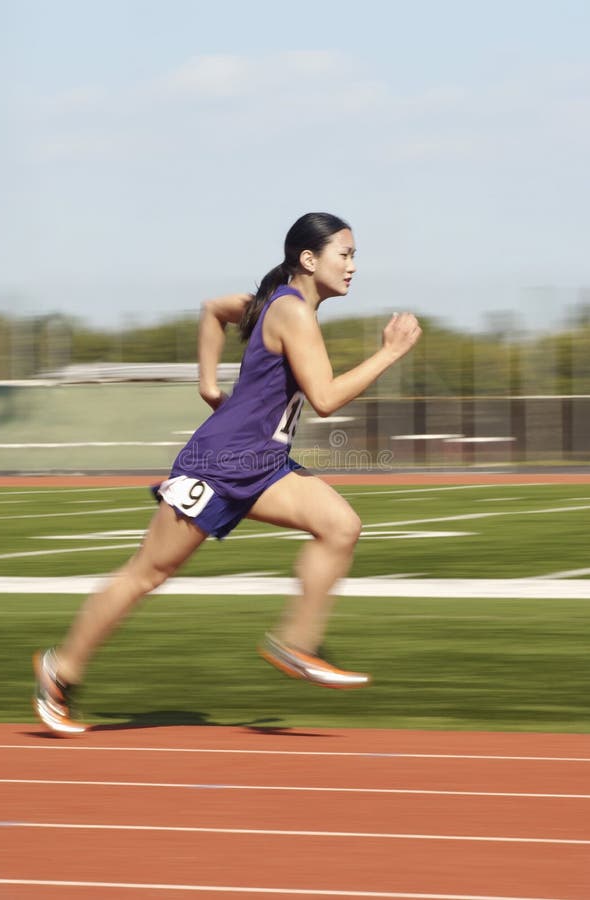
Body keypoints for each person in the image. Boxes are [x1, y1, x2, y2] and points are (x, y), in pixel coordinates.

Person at [33, 212, 422, 735]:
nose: (353, 266)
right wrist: (389, 353)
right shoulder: (292, 313)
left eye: (354, 256)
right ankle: (60, 670)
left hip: (263, 465)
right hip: (220, 465)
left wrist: (208, 385)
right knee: (148, 572)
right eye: (345, 255)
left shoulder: (277, 304)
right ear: (309, 259)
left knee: (340, 526)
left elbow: (214, 309)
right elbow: (325, 399)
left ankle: (297, 643)